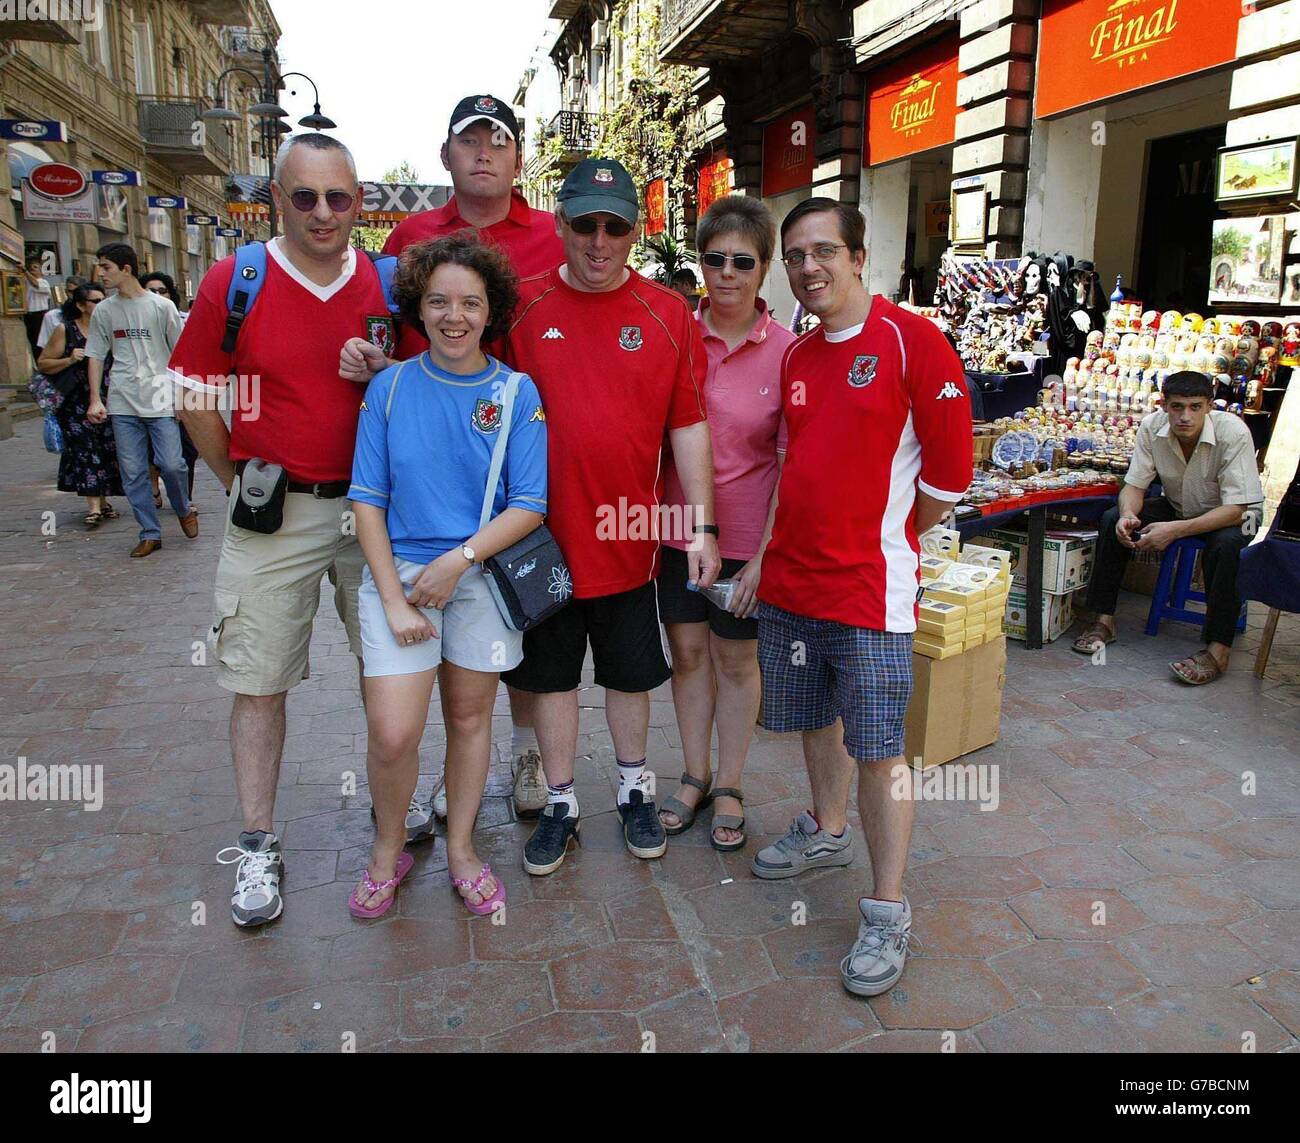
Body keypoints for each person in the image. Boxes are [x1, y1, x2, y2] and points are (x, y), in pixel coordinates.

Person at [170, 132, 405, 928]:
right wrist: (237, 484)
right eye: (304, 197)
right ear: (278, 198)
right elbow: (193, 395)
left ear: (359, 201)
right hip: (274, 512)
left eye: (338, 197)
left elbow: (430, 387)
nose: (322, 213)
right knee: (258, 680)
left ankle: (391, 823)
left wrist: (386, 373)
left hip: (375, 512)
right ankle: (259, 841)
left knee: (392, 677)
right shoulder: (234, 280)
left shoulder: (386, 284)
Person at [752, 198, 973, 999]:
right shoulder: (797, 356)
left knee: (880, 748)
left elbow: (947, 481)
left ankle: (886, 908)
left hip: (872, 592)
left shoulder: (914, 342)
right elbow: (792, 464)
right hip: (792, 585)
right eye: (795, 256)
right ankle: (826, 827)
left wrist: (880, 539)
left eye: (823, 252)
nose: (808, 268)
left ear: (857, 256)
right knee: (813, 719)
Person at [342, 93, 565, 822]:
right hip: (430, 457)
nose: (482, 152)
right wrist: (372, 360)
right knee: (422, 674)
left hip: (518, 436)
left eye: (497, 141)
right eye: (469, 140)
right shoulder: (410, 233)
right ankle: (435, 777)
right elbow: (383, 323)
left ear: (517, 159)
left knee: (514, 611)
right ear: (446, 155)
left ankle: (524, 752)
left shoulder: (552, 236)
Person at [499, 158, 720, 875]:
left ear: (635, 230)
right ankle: (560, 804)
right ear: (560, 223)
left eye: (614, 227)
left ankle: (632, 788)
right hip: (541, 543)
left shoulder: (668, 314)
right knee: (554, 680)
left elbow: (688, 426)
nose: (598, 241)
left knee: (630, 676)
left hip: (630, 539)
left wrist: (704, 528)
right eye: (585, 224)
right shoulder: (520, 308)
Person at [348, 233, 548, 918]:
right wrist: (395, 598)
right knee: (394, 732)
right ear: (417, 307)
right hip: (399, 578)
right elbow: (367, 499)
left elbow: (529, 502)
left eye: (469, 302)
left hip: (480, 574)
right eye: (438, 301)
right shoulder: (390, 386)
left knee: (469, 718)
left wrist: (458, 561)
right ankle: (387, 848)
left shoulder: (515, 392)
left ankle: (462, 847)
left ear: (491, 309)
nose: (454, 316)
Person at [656, 196, 794, 851]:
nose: (728, 273)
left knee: (737, 662)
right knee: (687, 655)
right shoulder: (674, 336)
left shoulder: (790, 353)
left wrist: (767, 555)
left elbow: (792, 462)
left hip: (747, 539)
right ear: (700, 262)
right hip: (679, 531)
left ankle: (731, 781)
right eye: (715, 259)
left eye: (743, 261)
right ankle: (695, 772)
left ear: (765, 267)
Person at [1072, 370, 1264, 684]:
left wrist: (1174, 530)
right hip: (1180, 505)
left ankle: (1218, 648)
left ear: (1209, 406)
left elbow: (1236, 510)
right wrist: (1127, 516)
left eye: (1195, 407)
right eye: (1177, 407)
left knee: (1226, 546)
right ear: (1164, 405)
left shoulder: (1233, 432)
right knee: (1110, 520)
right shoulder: (1152, 427)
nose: (1185, 416)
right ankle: (1103, 620)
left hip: (1238, 516)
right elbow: (1135, 485)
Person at [84, 243, 191, 559]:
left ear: (126, 269)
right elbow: (95, 355)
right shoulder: (105, 310)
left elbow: (181, 353)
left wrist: (183, 397)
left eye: (106, 267)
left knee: (172, 464)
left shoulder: (161, 307)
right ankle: (150, 533)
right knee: (132, 472)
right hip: (122, 401)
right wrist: (95, 398)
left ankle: (184, 507)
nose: (100, 273)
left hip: (160, 398)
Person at [37, 282, 123, 527]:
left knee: (106, 450)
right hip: (76, 402)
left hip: (110, 398)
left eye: (102, 299)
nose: (100, 304)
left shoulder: (110, 329)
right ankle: (94, 507)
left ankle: (104, 502)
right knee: (85, 451)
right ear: (80, 305)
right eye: (95, 301)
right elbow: (44, 363)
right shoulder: (66, 330)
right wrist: (69, 358)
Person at [140, 271, 200, 506]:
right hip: (147, 393)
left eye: (161, 290)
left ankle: (186, 497)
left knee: (187, 450)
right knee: (151, 448)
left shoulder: (184, 320)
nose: (156, 296)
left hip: (181, 391)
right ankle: (154, 486)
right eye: (151, 291)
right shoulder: (135, 321)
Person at [37, 274, 88, 355]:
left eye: (77, 292)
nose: (74, 295)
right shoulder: (52, 316)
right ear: (66, 291)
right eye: (70, 291)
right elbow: (44, 347)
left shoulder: (91, 315)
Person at [22, 255, 53, 363]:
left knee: (40, 341)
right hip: (29, 315)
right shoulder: (27, 282)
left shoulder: (43, 282)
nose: (32, 269)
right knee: (32, 341)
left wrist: (25, 271)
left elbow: (36, 284)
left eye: (35, 267)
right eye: (31, 267)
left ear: (41, 271)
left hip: (39, 315)